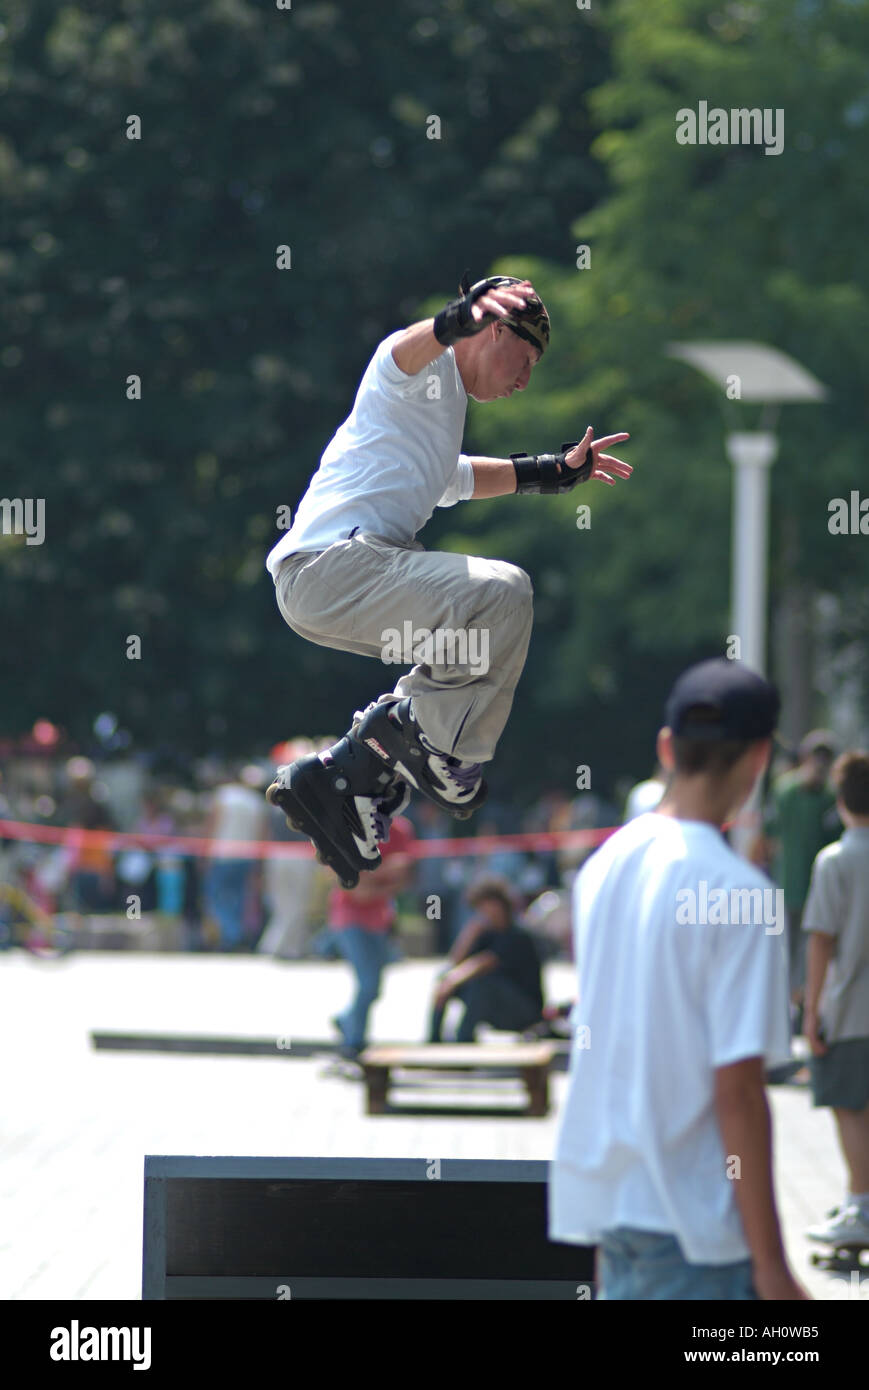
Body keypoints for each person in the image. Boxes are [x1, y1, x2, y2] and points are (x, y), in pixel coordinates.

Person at [264, 272, 632, 887]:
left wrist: (552, 473)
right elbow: (399, 351)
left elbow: (456, 479)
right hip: (332, 567)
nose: (525, 379)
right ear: (492, 331)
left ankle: (354, 768)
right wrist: (451, 320)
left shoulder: (440, 417)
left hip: (339, 584)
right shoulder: (411, 372)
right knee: (502, 591)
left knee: (477, 642)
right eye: (526, 359)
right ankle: (422, 736)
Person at [549, 657, 809, 1301]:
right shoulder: (741, 892)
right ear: (759, 759)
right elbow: (740, 1092)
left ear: (667, 747)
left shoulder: (603, 866)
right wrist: (773, 1266)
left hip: (614, 1208)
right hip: (698, 1225)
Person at [802, 750, 869, 1251]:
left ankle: (860, 1205)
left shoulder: (836, 860)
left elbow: (821, 939)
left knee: (850, 1108)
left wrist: (810, 1012)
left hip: (850, 1008)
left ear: (842, 801)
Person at [764, 729, 840, 1008]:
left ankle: (800, 1004)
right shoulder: (787, 792)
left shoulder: (828, 798)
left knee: (807, 953)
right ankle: (786, 1004)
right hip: (789, 883)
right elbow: (769, 836)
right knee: (785, 951)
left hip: (812, 889)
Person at [329, 814, 415, 1059]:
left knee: (374, 988)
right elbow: (357, 890)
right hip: (348, 919)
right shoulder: (352, 824)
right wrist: (385, 875)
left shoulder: (400, 828)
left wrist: (374, 877)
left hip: (380, 920)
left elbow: (404, 875)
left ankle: (346, 1020)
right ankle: (353, 1042)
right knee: (367, 983)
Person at [427, 875, 543, 1043]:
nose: (485, 912)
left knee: (480, 984)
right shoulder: (484, 933)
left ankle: (463, 1042)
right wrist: (469, 934)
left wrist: (453, 980)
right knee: (444, 976)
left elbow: (485, 963)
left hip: (523, 1012)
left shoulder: (518, 935)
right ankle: (433, 1042)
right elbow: (455, 964)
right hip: (496, 1008)